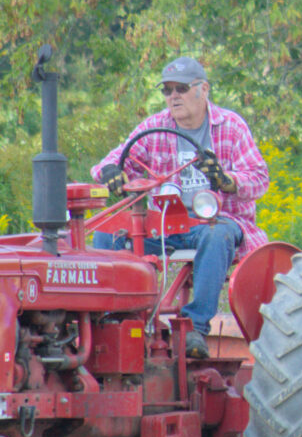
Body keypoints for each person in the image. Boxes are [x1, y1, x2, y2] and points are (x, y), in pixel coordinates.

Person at [91, 56, 269, 360]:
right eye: (167, 90)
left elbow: (259, 178)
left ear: (203, 89)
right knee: (107, 236)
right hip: (165, 226)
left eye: (181, 88)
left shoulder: (231, 126)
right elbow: (112, 162)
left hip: (215, 222)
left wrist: (226, 180)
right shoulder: (154, 127)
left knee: (218, 236)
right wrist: (110, 172)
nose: (173, 96)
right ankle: (120, 318)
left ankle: (194, 327)